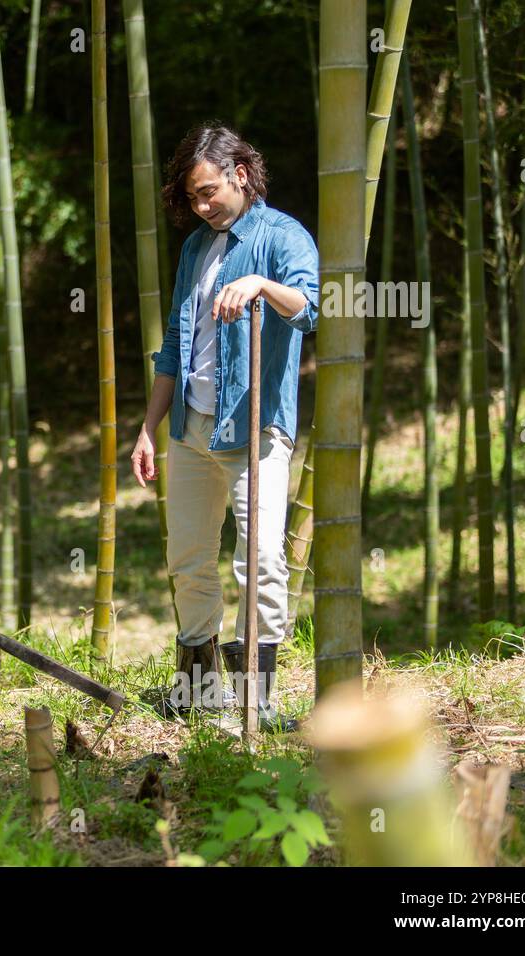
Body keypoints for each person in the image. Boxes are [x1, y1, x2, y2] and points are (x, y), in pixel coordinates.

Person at [130, 123, 319, 732]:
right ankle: (198, 690)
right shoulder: (194, 249)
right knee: (188, 558)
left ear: (241, 173)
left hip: (255, 428)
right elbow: (173, 347)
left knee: (260, 562)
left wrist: (263, 284)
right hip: (190, 428)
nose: (202, 206)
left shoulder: (281, 235)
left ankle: (253, 700)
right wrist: (147, 429)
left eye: (209, 192)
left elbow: (312, 309)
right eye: (193, 197)